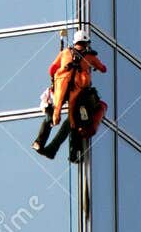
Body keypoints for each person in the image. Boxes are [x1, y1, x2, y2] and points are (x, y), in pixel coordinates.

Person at [34, 30, 107, 162]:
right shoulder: (90, 56)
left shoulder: (65, 53)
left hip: (62, 91)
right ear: (86, 43)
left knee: (57, 116)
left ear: (75, 42)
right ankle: (74, 154)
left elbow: (51, 69)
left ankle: (40, 143)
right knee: (76, 121)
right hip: (81, 95)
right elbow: (103, 68)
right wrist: (95, 66)